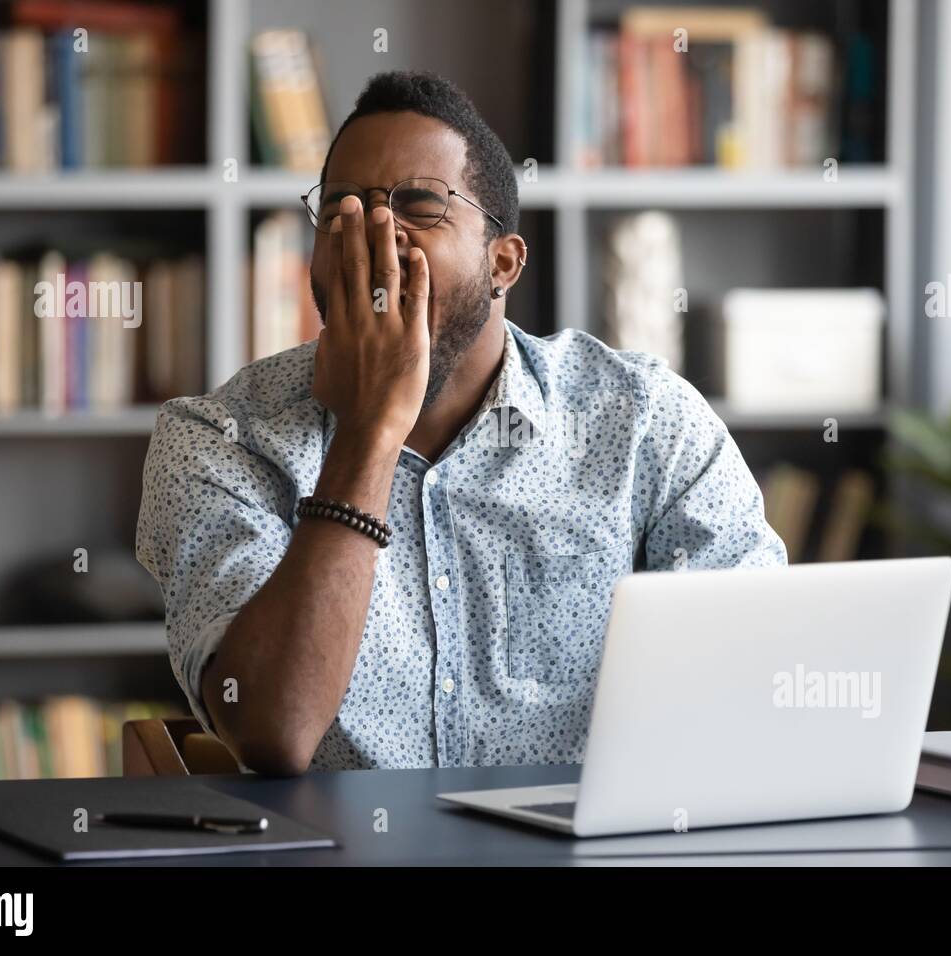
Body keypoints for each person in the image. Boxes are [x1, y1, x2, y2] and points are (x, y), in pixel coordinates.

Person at [136, 71, 786, 775]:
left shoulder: (646, 423)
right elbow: (272, 730)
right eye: (342, 211)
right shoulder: (215, 440)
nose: (376, 238)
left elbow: (758, 684)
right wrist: (370, 431)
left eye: (419, 205)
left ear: (502, 261)